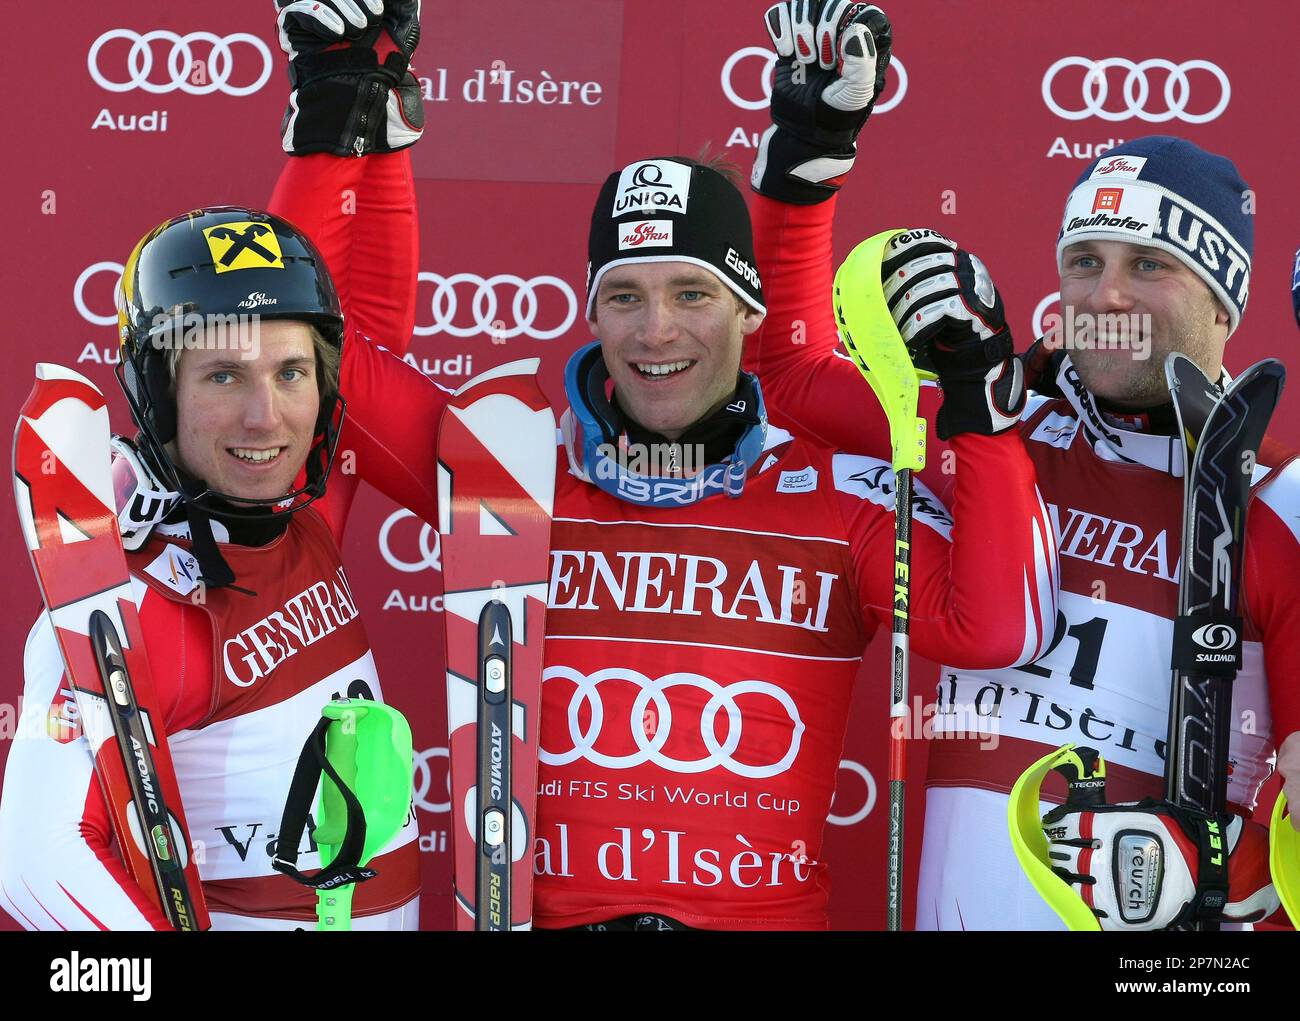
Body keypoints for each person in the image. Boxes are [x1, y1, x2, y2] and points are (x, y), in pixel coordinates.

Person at [259, 1, 1058, 929]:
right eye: (624, 295)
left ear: (749, 313)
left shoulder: (833, 498)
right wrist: (343, 106)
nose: (657, 329)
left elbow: (995, 627)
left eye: (693, 292)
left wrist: (978, 411)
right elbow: (310, 353)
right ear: (591, 314)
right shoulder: (507, 470)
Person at [744, 0, 1299, 930]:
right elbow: (793, 375)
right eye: (1083, 259)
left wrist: (1211, 871)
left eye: (1148, 266)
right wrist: (805, 166)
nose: (1104, 293)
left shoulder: (1278, 504)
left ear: (1225, 302)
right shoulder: (993, 430)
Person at [0, 0, 432, 930]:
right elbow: (33, 867)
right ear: (157, 398)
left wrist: (358, 103)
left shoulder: (304, 509)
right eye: (222, 374)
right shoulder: (140, 606)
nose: (262, 413)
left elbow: (366, 330)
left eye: (289, 374)